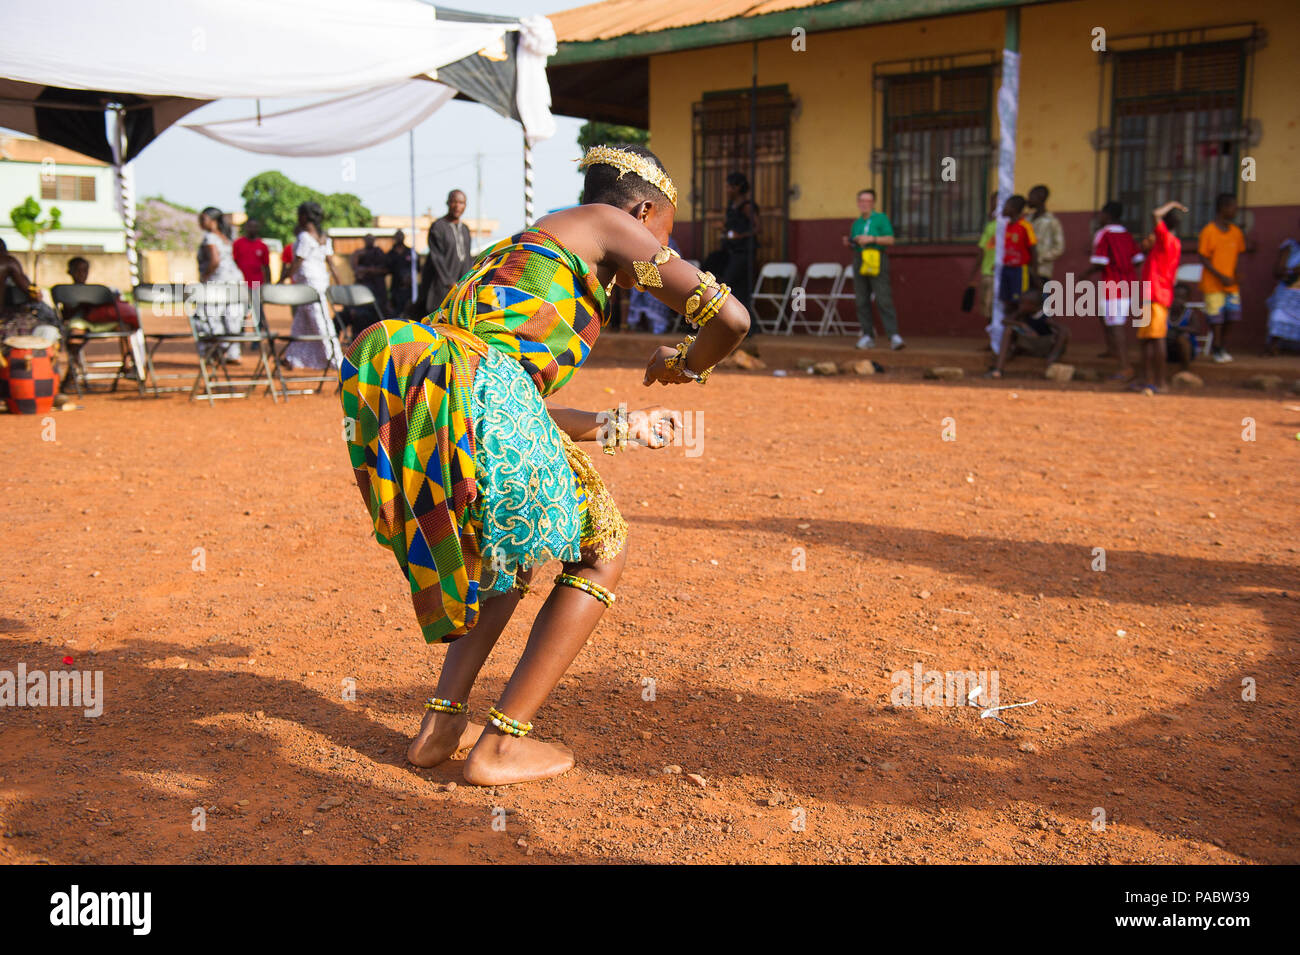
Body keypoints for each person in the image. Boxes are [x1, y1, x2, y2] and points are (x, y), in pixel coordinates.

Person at [341, 144, 749, 786]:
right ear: (643, 211)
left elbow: (509, 395)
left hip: (448, 395)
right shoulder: (609, 223)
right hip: (480, 394)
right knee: (602, 546)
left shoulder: (520, 250)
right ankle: (502, 745)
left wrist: (616, 426)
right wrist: (685, 365)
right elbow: (731, 318)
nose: (661, 252)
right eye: (664, 233)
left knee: (515, 550)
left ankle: (441, 725)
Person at [1081, 201, 1141, 380]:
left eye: (1100, 214)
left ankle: (1125, 366)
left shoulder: (1104, 234)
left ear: (1107, 215)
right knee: (1104, 314)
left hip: (1113, 284)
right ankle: (1112, 350)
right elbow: (1137, 258)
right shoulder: (1128, 235)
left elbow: (1099, 262)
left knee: (1116, 324)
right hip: (1128, 282)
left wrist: (1084, 274)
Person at [280, 201, 342, 370]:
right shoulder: (323, 238)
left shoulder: (304, 237)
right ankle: (291, 358)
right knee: (300, 324)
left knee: (321, 324)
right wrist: (340, 284)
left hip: (309, 286)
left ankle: (338, 361)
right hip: (318, 282)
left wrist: (281, 281)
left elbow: (296, 263)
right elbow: (332, 264)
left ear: (304, 217)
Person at [1134, 200, 1188, 394]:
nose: (1146, 239)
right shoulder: (1166, 247)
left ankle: (1160, 382)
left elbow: (1155, 214)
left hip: (1155, 296)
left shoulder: (1166, 241)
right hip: (1154, 296)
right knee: (1147, 340)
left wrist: (1172, 204)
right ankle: (1147, 380)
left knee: (1156, 340)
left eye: (1150, 235)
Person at [843, 188, 903, 350]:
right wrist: (851, 242)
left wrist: (873, 238)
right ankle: (867, 335)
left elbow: (890, 240)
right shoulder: (857, 223)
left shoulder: (881, 219)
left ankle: (894, 335)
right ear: (858, 203)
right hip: (860, 259)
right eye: (862, 201)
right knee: (861, 299)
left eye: (868, 201)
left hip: (877, 258)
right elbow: (856, 244)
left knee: (883, 297)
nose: (864, 204)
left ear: (873, 203)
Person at [702, 172, 760, 321]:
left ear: (738, 187)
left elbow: (757, 229)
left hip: (743, 253)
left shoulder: (747, 206)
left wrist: (738, 236)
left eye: (729, 187)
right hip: (730, 252)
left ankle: (741, 322)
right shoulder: (731, 207)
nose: (726, 190)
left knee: (730, 285)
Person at [1198, 193, 1247, 363]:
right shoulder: (1208, 231)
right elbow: (1203, 258)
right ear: (1222, 208)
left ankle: (1221, 346)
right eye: (1233, 206)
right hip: (1213, 284)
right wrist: (1221, 276)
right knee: (1216, 318)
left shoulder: (1236, 233)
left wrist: (1236, 275)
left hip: (1231, 284)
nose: (1235, 210)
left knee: (1232, 316)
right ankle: (1217, 347)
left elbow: (1238, 256)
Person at [196, 206, 247, 363]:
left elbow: (214, 261)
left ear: (213, 221)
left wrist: (204, 277)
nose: (200, 222)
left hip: (218, 282)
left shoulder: (210, 238)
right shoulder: (225, 237)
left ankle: (214, 351)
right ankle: (232, 353)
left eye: (203, 219)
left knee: (208, 316)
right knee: (232, 318)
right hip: (235, 281)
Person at [984, 288, 1068, 378]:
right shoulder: (1023, 314)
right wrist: (1022, 324)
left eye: (1024, 303)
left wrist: (1053, 355)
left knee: (1011, 330)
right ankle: (998, 370)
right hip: (1028, 345)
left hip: (1042, 347)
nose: (1021, 305)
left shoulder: (1045, 317)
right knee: (1009, 330)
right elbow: (1004, 321)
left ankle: (1050, 363)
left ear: (1035, 306)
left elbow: (1063, 331)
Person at [419, 190, 474, 314]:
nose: (457, 206)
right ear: (448, 203)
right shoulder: (438, 227)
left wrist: (467, 283)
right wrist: (450, 283)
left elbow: (467, 258)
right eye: (454, 202)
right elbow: (437, 258)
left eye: (461, 203)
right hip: (440, 289)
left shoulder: (465, 229)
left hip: (460, 290)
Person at [1266, 220, 1300, 353]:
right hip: (1288, 289)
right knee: (1281, 306)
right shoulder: (1290, 246)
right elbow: (1277, 271)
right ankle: (1273, 345)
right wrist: (1293, 271)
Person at [966, 192, 998, 326]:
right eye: (991, 202)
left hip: (998, 272)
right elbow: (982, 249)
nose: (992, 206)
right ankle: (993, 339)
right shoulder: (990, 225)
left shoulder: (1006, 226)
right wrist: (973, 273)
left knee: (996, 307)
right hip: (987, 272)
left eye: (995, 202)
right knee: (986, 307)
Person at [1027, 185, 1065, 283]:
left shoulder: (1052, 222)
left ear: (1041, 197)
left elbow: (1059, 248)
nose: (1029, 200)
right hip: (1025, 269)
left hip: (1042, 271)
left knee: (1043, 296)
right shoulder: (1027, 219)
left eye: (1032, 197)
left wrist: (1039, 257)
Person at [350, 234, 390, 319]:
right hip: (363, 290)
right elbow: (355, 268)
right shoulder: (360, 253)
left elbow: (385, 269)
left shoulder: (378, 252)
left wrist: (369, 270)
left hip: (378, 290)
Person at [1166, 284, 1200, 371]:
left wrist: (1177, 329)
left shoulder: (1190, 313)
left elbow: (1196, 329)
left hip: (1186, 352)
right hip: (1167, 350)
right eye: (1175, 297)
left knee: (1182, 338)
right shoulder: (1165, 312)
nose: (1177, 300)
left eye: (1182, 298)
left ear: (1187, 299)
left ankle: (1186, 371)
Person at [232, 219, 272, 289]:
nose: (252, 229)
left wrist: (268, 284)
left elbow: (266, 266)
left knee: (255, 299)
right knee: (241, 299)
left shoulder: (262, 246)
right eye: (250, 226)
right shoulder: (237, 243)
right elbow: (233, 262)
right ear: (246, 227)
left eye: (255, 227)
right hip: (240, 281)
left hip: (256, 282)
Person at [386, 230, 414, 316]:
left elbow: (417, 268)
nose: (399, 238)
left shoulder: (410, 252)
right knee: (395, 312)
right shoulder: (391, 253)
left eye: (401, 236)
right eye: (397, 237)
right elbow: (387, 269)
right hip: (396, 287)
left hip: (409, 289)